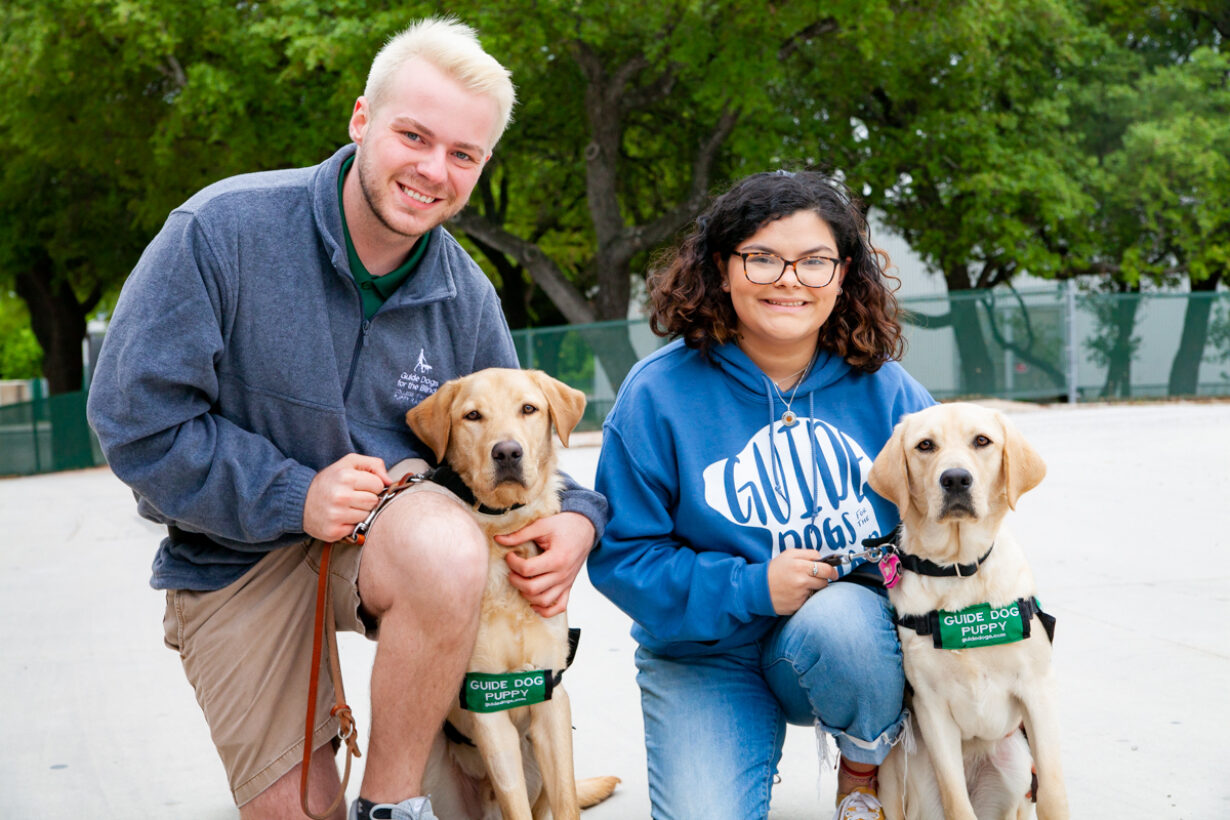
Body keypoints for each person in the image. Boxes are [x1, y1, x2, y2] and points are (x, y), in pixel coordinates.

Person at [86, 18, 606, 820]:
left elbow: (518, 447)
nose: (433, 170)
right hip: (234, 556)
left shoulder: (466, 296)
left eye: (461, 154)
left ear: (480, 165)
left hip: (385, 549)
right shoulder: (220, 232)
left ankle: (393, 804)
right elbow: (134, 421)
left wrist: (579, 519)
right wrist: (292, 494)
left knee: (443, 542)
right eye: (414, 135)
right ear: (362, 120)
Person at [586, 170, 935, 820]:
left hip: (845, 645)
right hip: (703, 656)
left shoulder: (888, 390)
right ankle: (736, 750)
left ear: (843, 273)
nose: (789, 280)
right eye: (763, 258)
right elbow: (622, 557)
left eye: (814, 262)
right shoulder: (657, 394)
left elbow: (946, 532)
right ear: (722, 268)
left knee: (844, 624)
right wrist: (751, 587)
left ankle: (862, 767)